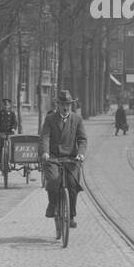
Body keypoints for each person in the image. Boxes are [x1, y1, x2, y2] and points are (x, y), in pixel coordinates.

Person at [39, 89, 87, 228]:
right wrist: (45, 152)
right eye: (62, 104)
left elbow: (82, 139)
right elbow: (45, 137)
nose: (65, 107)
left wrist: (81, 154)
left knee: (73, 185)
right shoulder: (50, 119)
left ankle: (71, 215)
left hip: (71, 158)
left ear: (71, 105)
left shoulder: (77, 119)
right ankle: (52, 205)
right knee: (53, 180)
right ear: (57, 105)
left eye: (68, 105)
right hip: (53, 157)